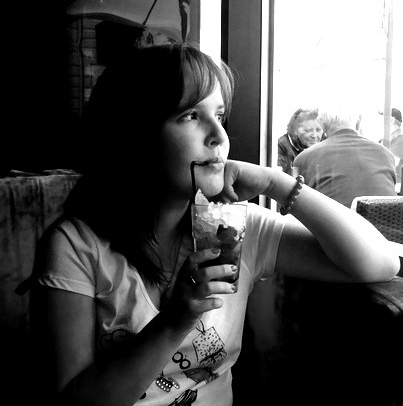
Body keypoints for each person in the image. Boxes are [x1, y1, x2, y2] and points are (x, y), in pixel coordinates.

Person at [29, 43, 400, 406]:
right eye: (191, 115)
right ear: (134, 131)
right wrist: (176, 319)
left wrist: (277, 183)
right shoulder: (75, 245)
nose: (219, 136)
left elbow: (380, 263)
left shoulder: (234, 228)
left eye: (219, 116)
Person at [293, 107, 397, 208]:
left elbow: (294, 205)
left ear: (321, 124)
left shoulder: (304, 159)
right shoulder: (386, 155)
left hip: (332, 220)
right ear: (359, 121)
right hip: (385, 219)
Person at [277, 108, 324, 176]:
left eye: (318, 130)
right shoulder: (280, 147)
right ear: (294, 131)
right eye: (308, 130)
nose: (314, 136)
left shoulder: (326, 144)